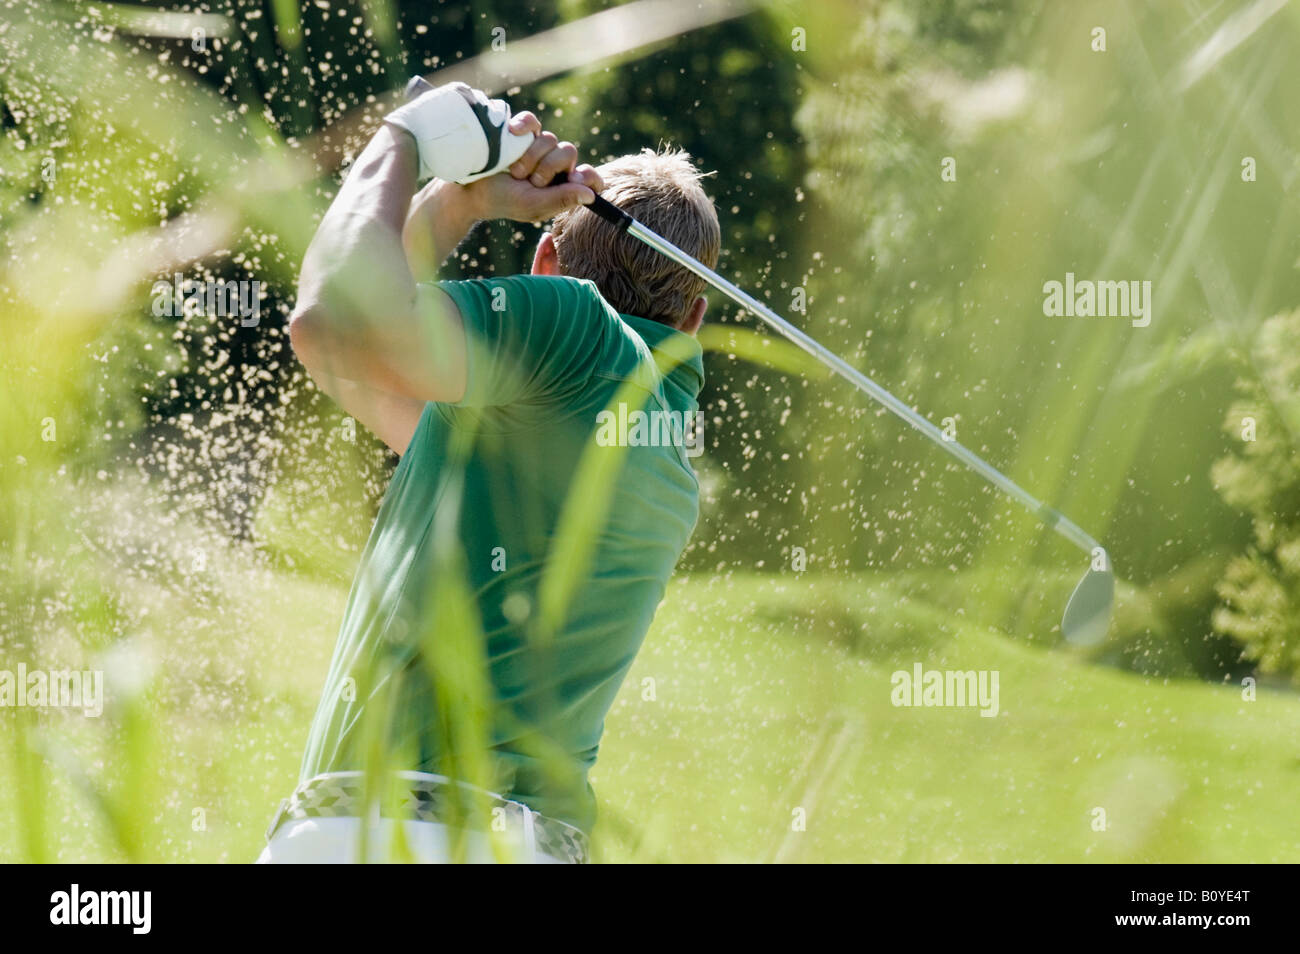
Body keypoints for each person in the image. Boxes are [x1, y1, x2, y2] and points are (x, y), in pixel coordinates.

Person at [258, 82, 720, 863]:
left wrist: (402, 137)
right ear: (695, 317)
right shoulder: (668, 449)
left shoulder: (573, 323)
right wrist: (451, 204)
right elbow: (363, 360)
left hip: (378, 830)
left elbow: (330, 321)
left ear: (546, 263)